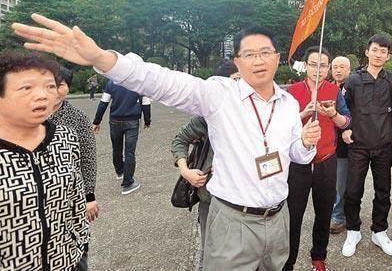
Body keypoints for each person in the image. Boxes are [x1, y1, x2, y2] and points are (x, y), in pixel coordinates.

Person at [12, 15, 322, 271]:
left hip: (278, 218)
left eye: (266, 52)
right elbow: (163, 82)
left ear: (278, 57)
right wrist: (103, 59)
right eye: (249, 54)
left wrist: (306, 144)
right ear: (237, 62)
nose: (259, 60)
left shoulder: (289, 104)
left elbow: (297, 155)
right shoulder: (220, 95)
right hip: (234, 223)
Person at [0, 52, 90, 270]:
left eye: (50, 86)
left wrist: (81, 248)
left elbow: (76, 201)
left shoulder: (65, 137)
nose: (43, 96)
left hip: (67, 262)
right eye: (26, 88)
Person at [341, 33, 392, 258]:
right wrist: (345, 128)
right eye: (375, 50)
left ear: (388, 56)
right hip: (358, 145)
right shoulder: (353, 79)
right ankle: (353, 230)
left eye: (383, 51)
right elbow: (344, 108)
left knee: (383, 191)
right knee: (353, 191)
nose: (379, 54)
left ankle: (379, 231)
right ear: (367, 52)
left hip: (383, 145)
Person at [284, 46, 351, 271]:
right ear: (305, 66)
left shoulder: (334, 90)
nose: (318, 70)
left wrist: (333, 114)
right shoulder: (292, 91)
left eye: (323, 66)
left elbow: (346, 122)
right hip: (297, 162)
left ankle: (319, 257)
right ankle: (288, 260)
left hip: (326, 158)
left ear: (328, 68)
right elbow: (280, 126)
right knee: (293, 214)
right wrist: (303, 114)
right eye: (313, 65)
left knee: (324, 213)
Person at [171, 61, 240, 271]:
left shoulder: (251, 114)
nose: (238, 86)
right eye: (235, 80)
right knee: (210, 252)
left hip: (242, 200)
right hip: (210, 197)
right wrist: (186, 171)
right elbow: (180, 140)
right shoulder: (207, 117)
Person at [51, 66, 99, 222]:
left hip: (70, 191)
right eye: (50, 85)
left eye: (60, 85)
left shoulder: (79, 118)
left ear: (68, 88)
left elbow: (88, 157)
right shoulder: (28, 115)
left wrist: (89, 196)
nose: (55, 90)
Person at [92, 78, 152, 195]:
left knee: (116, 148)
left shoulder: (112, 81)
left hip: (115, 120)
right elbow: (146, 103)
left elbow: (103, 102)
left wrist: (97, 121)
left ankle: (120, 171)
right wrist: (147, 121)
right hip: (132, 121)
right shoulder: (140, 82)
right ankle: (128, 183)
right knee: (129, 152)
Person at [329, 55, 352, 234]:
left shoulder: (353, 88)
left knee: (341, 183)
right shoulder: (329, 87)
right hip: (328, 144)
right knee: (331, 182)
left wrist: (348, 128)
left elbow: (356, 114)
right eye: (335, 67)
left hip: (346, 145)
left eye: (342, 67)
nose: (337, 70)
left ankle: (339, 216)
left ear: (349, 70)